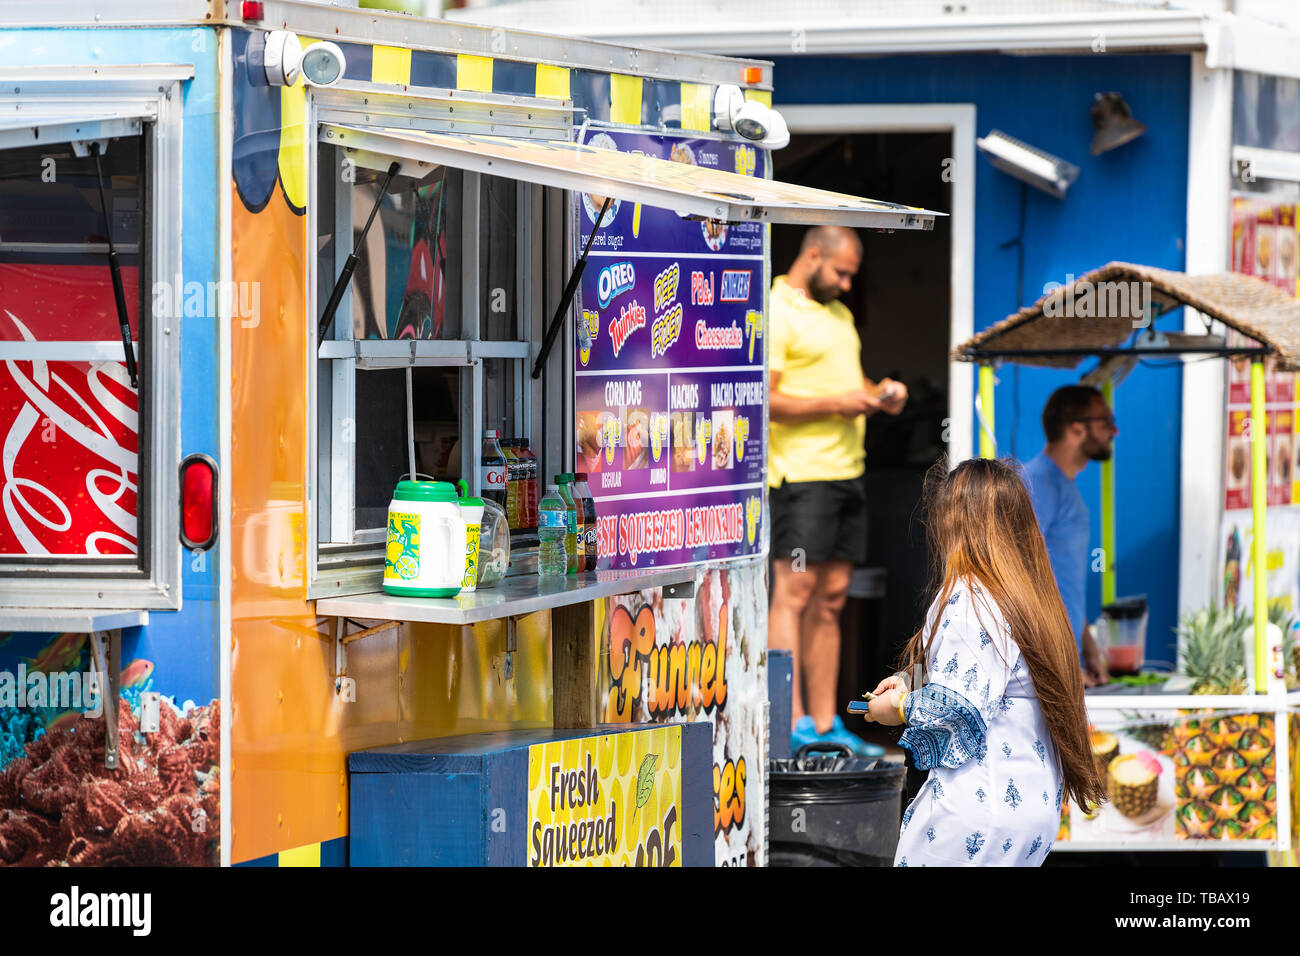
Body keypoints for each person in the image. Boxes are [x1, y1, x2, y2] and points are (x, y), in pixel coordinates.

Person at [864, 458, 1105, 867]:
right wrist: (908, 679)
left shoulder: (969, 597)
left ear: (952, 523)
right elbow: (986, 669)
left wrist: (893, 708)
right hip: (1032, 813)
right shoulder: (1032, 598)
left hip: (974, 813)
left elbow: (959, 703)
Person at [767, 225, 908, 756]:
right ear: (813, 255)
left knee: (831, 600)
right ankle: (791, 720)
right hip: (802, 477)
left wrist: (881, 395)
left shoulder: (840, 316)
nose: (849, 284)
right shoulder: (779, 308)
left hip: (850, 473)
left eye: (853, 274)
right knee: (795, 593)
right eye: (841, 272)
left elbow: (844, 389)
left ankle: (826, 724)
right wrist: (844, 403)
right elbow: (768, 400)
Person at [1021, 385, 1115, 687]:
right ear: (1077, 429)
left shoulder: (1060, 484)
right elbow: (1023, 577)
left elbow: (1063, 581)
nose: (1114, 430)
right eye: (1105, 421)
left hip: (1065, 663)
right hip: (1048, 667)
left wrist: (1088, 651)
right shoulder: (1037, 483)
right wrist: (1057, 667)